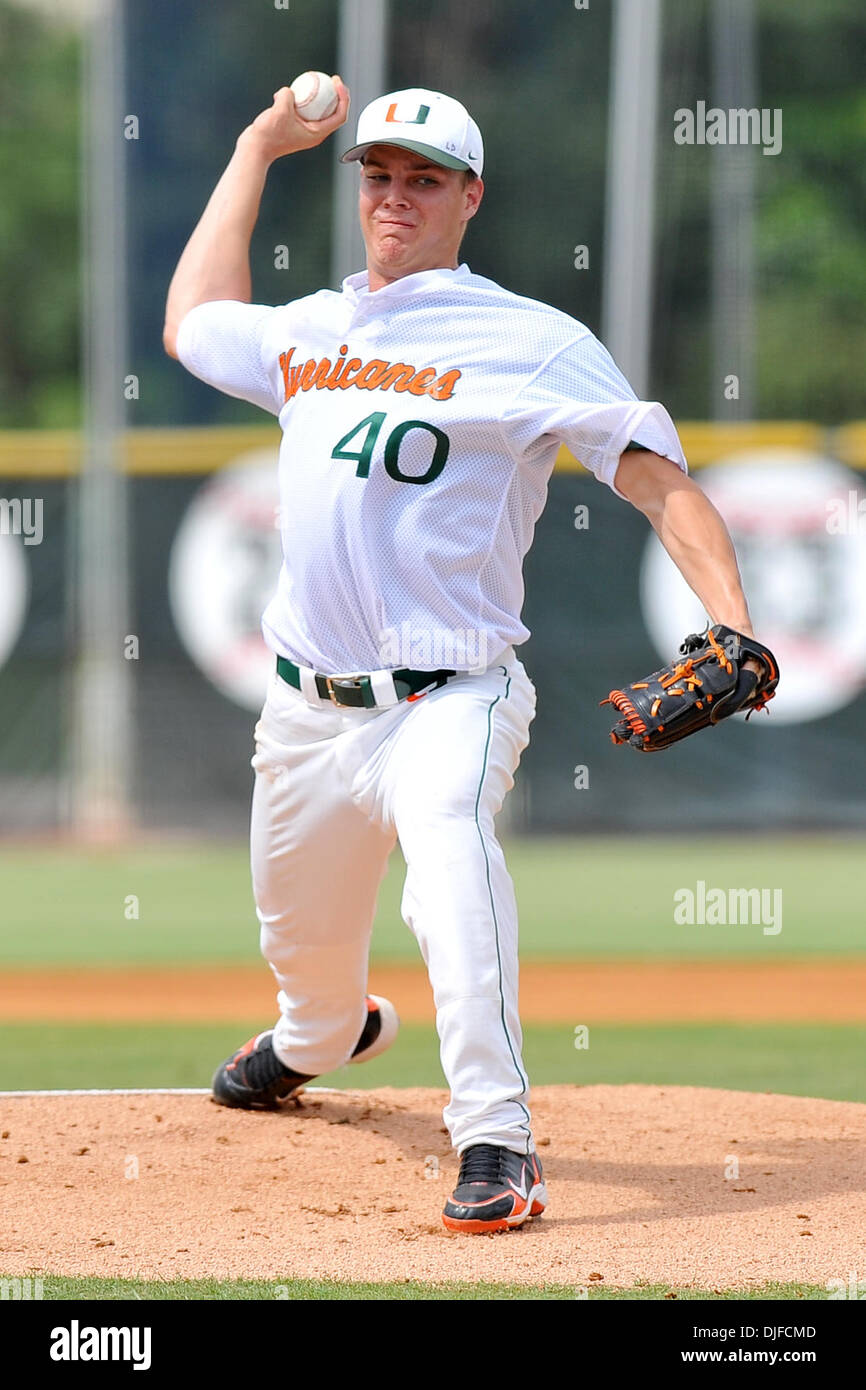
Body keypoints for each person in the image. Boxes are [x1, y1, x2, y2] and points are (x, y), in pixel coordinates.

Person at [163, 81, 762, 1234]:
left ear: (467, 196)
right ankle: (313, 1043)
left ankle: (495, 1138)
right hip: (302, 713)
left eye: (424, 178)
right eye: (379, 175)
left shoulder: (530, 342)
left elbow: (655, 480)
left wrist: (735, 625)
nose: (396, 195)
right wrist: (252, 148)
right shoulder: (308, 330)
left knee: (450, 862)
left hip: (450, 692)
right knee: (305, 968)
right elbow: (192, 317)